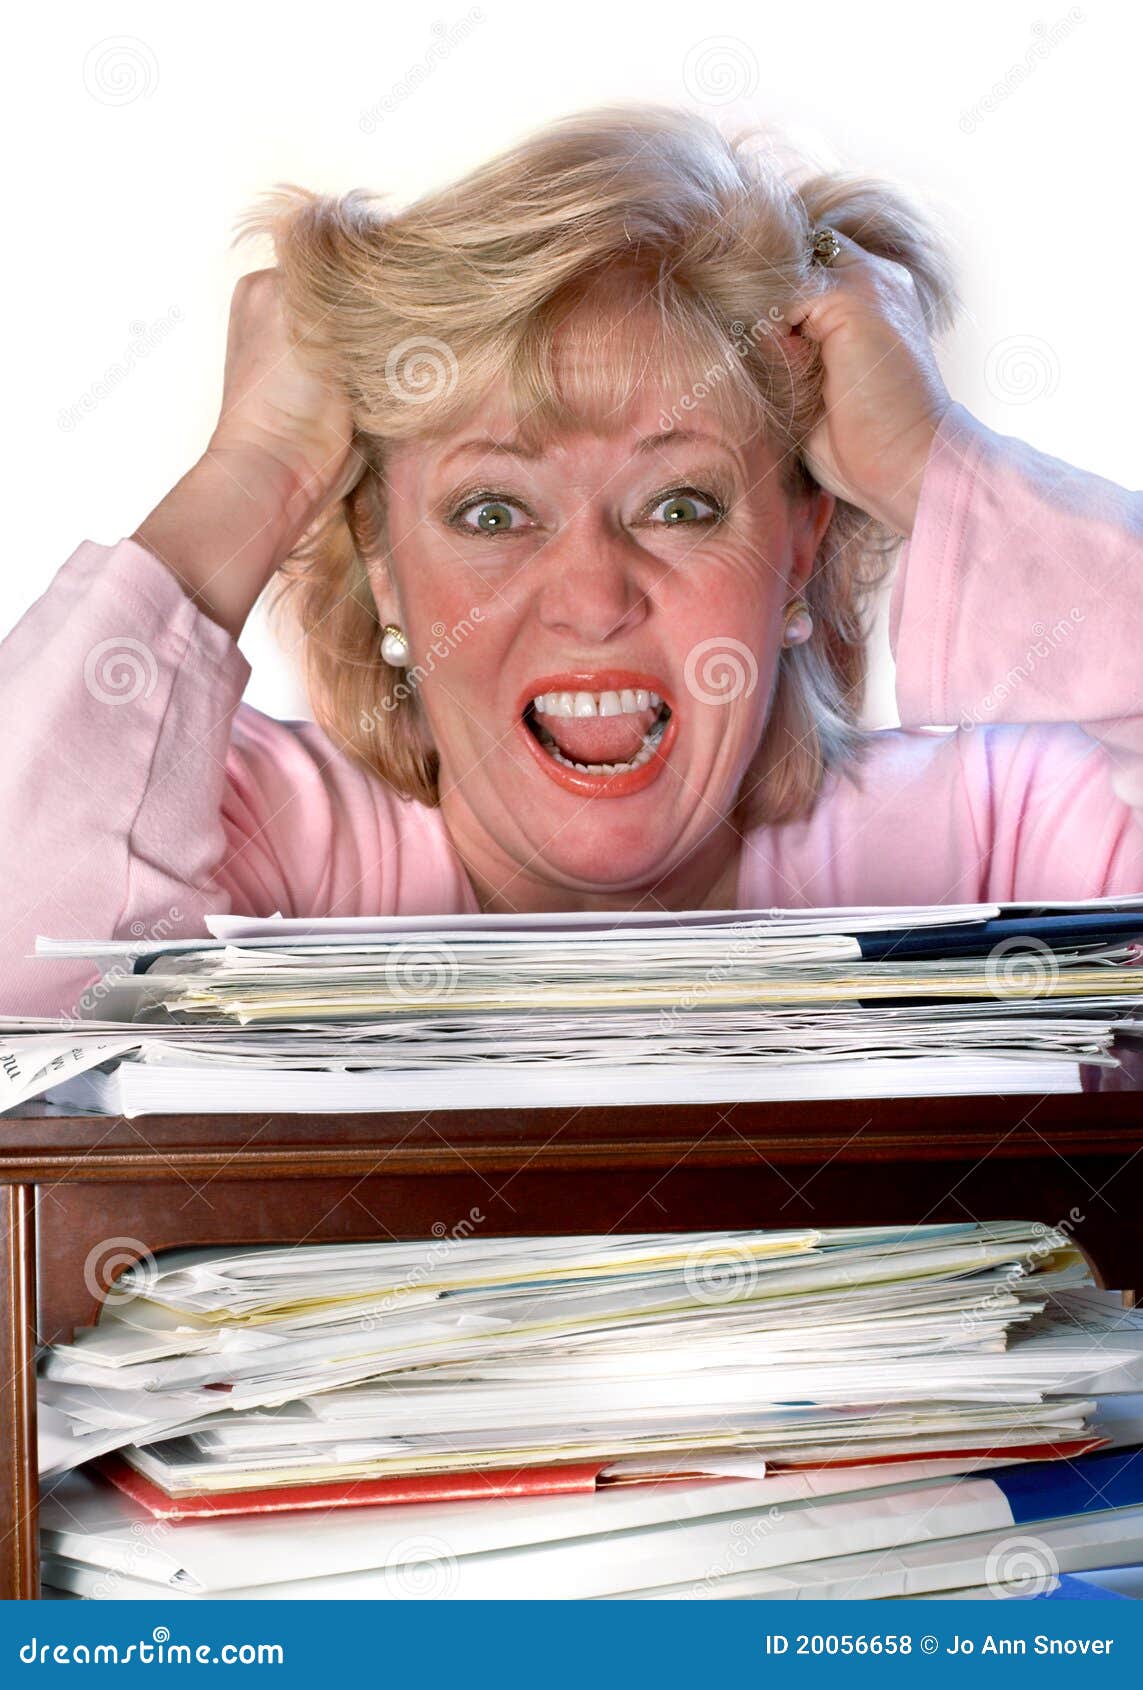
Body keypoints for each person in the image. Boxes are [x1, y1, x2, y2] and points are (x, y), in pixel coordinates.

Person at [2, 106, 1140, 1018]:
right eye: (495, 512)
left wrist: (938, 464)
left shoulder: (1006, 831)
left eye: (682, 503)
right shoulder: (246, 839)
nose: (594, 599)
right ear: (383, 567)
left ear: (798, 554)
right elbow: (23, 964)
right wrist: (250, 469)